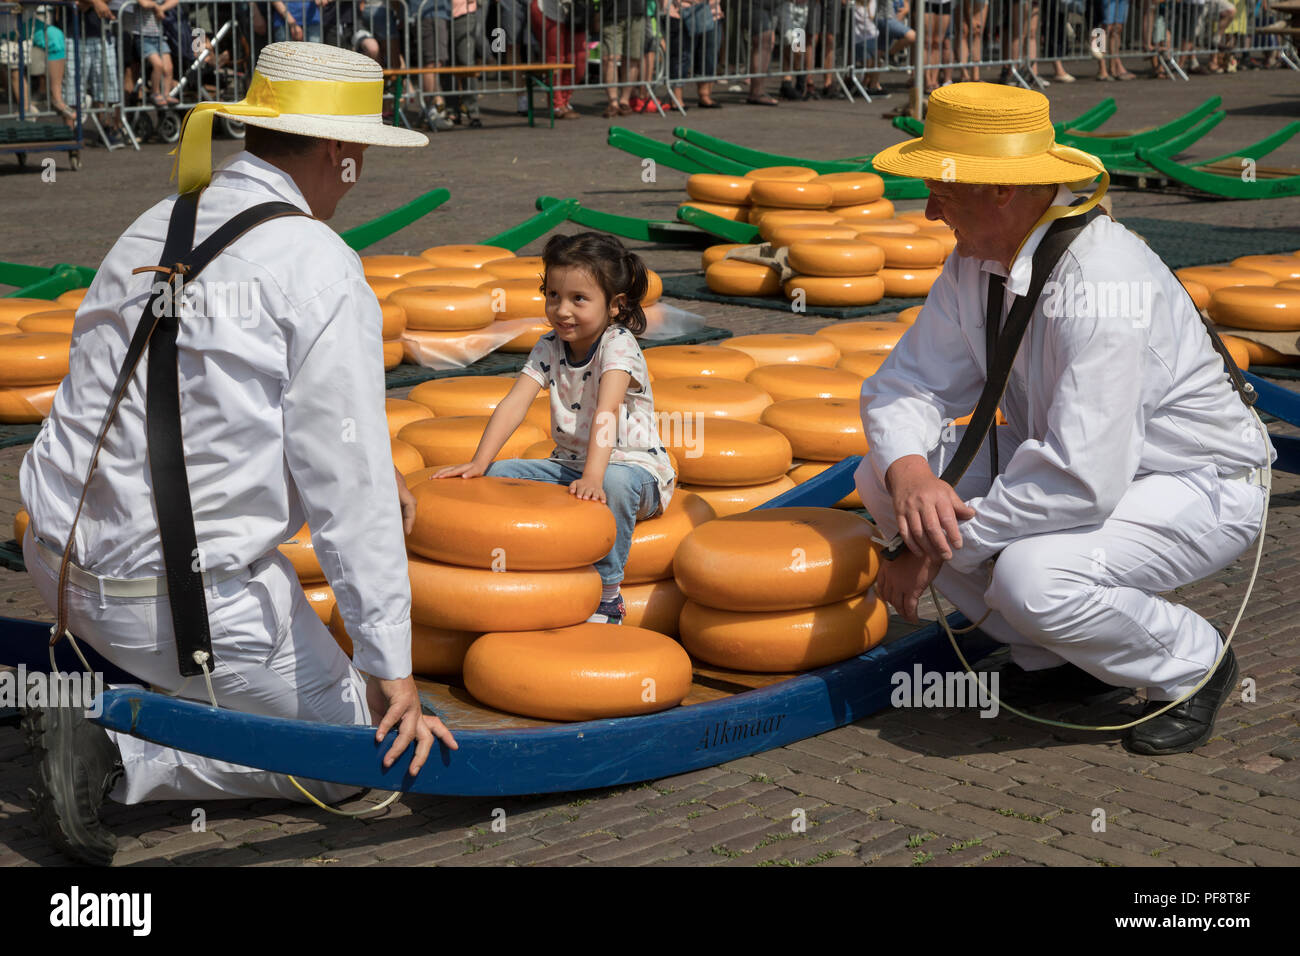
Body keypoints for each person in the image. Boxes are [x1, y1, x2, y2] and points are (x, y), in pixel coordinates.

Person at [19, 42, 456, 867]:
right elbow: (349, 490)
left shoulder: (159, 220)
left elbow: (154, 392)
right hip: (170, 604)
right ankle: (122, 761)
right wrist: (389, 666)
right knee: (359, 757)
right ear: (338, 153)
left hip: (59, 556)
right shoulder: (320, 267)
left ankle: (136, 689)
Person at [861, 83, 1273, 756]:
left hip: (1196, 482)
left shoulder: (1103, 283)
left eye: (944, 189)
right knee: (880, 481)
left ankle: (1192, 664)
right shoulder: (976, 259)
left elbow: (1082, 479)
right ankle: (1061, 661)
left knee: (1034, 577)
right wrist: (909, 476)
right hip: (1075, 461)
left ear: (1001, 189)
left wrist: (927, 548)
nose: (931, 210)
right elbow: (907, 382)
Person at [432, 233, 676, 625]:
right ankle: (522, 566)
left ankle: (608, 593)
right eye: (554, 295)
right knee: (497, 477)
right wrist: (479, 462)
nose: (562, 310)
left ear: (615, 305)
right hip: (569, 467)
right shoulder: (549, 345)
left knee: (613, 484)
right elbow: (514, 403)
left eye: (579, 299)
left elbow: (607, 411)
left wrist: (595, 476)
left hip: (634, 471)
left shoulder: (618, 344)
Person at [531, 0, 588, 117]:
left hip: (575, 11)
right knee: (555, 58)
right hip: (547, 11)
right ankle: (557, 104)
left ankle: (564, 99)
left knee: (579, 59)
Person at [666, 0, 720, 108]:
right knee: (682, 55)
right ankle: (676, 98)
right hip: (680, 11)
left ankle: (705, 95)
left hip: (712, 12)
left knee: (709, 55)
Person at [601, 0, 648, 115]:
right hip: (611, 14)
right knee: (611, 58)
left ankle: (624, 101)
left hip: (637, 13)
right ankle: (613, 103)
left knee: (633, 58)